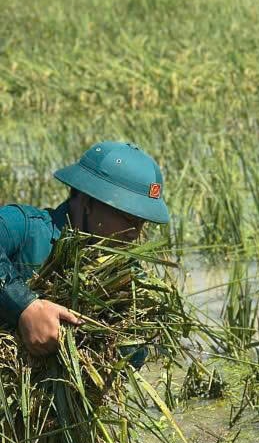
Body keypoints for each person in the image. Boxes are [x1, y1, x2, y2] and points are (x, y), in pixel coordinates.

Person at [0, 141, 170, 358]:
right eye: (128, 218)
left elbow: (131, 358)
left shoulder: (127, 280)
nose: (134, 232)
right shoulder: (25, 227)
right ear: (87, 201)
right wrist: (25, 306)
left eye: (142, 222)